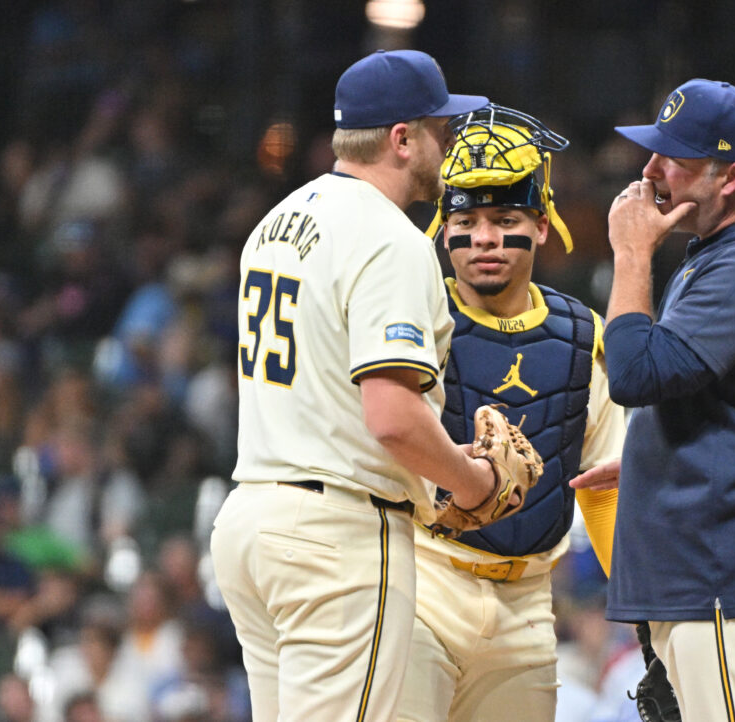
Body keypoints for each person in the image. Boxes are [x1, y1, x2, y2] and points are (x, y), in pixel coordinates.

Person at [208, 49, 497, 722]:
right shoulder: (388, 238)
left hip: (253, 518)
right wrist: (469, 479)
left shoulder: (274, 221)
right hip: (333, 537)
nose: (449, 146)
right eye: (440, 130)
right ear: (402, 139)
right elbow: (392, 416)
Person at [572, 79, 735, 721]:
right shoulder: (729, 249)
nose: (651, 169)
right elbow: (709, 399)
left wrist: (631, 253)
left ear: (733, 176)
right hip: (720, 581)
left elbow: (633, 375)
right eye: (654, 151)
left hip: (729, 581)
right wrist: (648, 461)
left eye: (675, 158)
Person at [395, 105, 625, 721]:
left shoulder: (585, 336)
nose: (486, 238)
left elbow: (605, 486)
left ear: (542, 225)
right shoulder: (409, 317)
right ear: (443, 230)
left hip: (527, 603)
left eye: (506, 218)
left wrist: (646, 619)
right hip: (420, 584)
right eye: (466, 219)